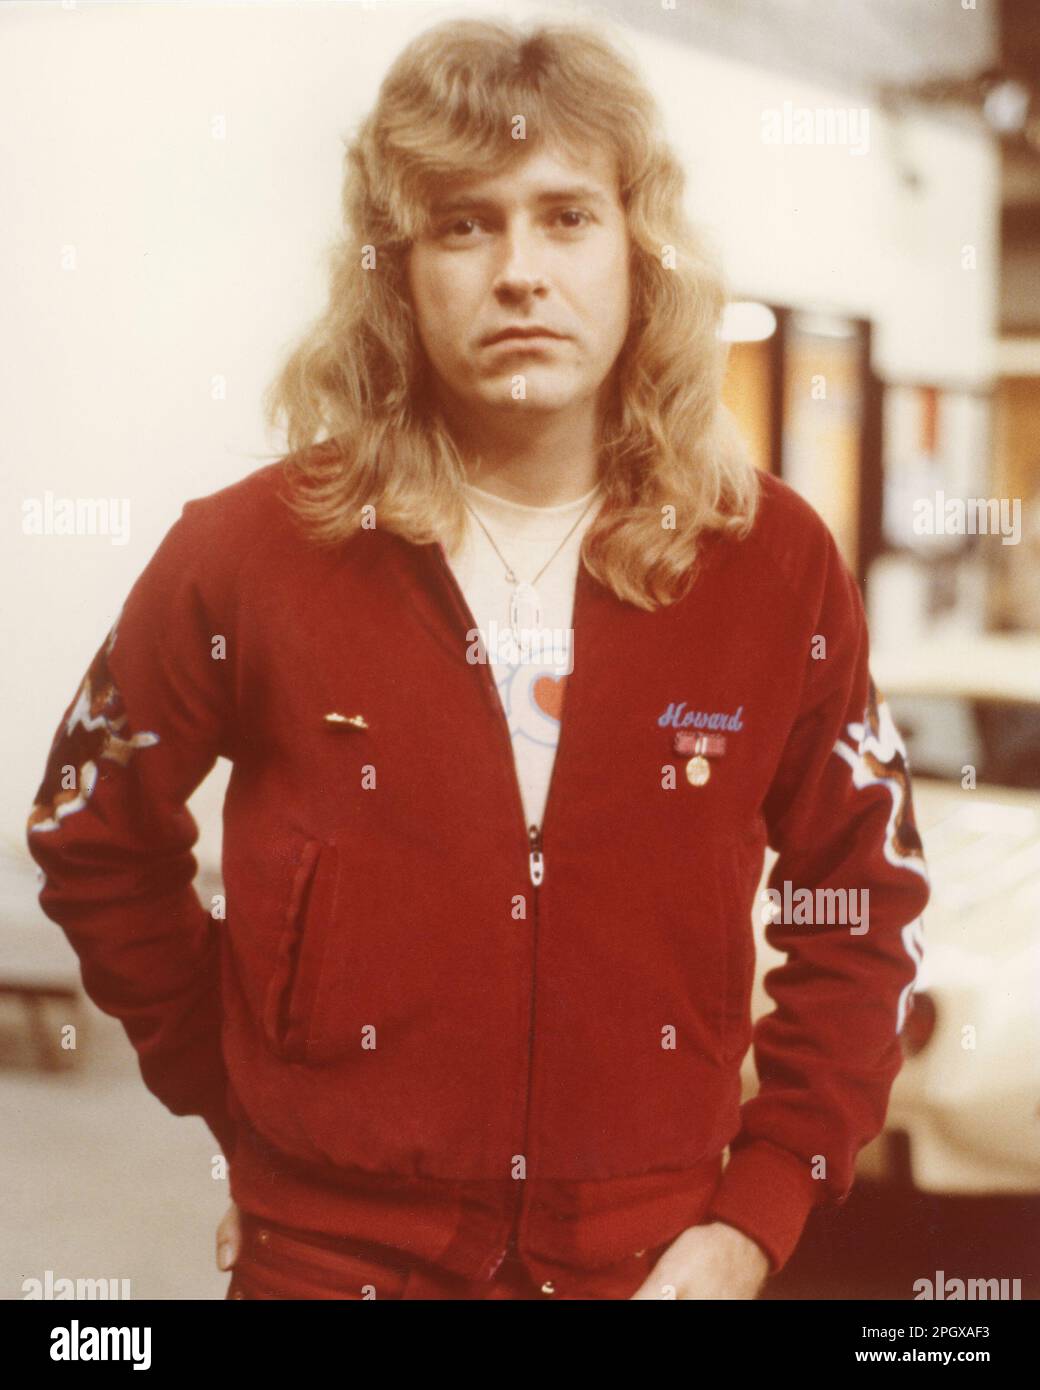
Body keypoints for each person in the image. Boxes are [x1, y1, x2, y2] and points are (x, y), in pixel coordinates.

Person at [26, 16, 931, 1301]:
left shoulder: (765, 559)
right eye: (464, 223)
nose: (519, 271)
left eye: (566, 217)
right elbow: (89, 825)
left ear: (638, 255)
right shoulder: (248, 553)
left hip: (654, 1268)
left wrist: (763, 1198)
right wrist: (231, 1090)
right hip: (329, 1268)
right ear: (395, 273)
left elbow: (867, 888)